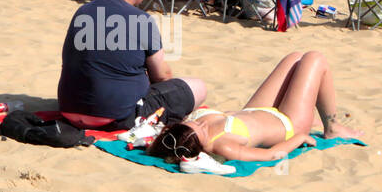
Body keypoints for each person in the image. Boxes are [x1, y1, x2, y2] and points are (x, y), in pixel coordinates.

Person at [57, 0, 206, 130]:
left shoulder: (82, 12)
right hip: (117, 116)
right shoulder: (142, 20)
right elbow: (162, 76)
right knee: (198, 87)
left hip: (69, 109)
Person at [147, 52, 359, 164]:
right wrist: (300, 139)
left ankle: (311, 113)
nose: (201, 122)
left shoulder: (182, 132)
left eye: (195, 122)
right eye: (200, 128)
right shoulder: (224, 147)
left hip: (256, 110)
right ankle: (333, 127)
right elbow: (271, 155)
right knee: (315, 58)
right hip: (288, 124)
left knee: (295, 58)